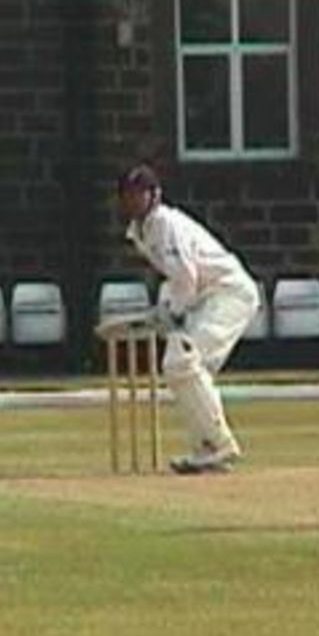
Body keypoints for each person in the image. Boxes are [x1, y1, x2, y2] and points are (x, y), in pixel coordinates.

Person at [117, 164, 260, 474]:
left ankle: (219, 445)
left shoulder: (165, 224)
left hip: (229, 294)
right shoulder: (141, 231)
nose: (132, 201)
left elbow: (186, 275)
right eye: (128, 195)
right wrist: (165, 310)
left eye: (138, 194)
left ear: (154, 195)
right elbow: (178, 279)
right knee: (184, 368)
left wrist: (174, 312)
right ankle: (206, 449)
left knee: (183, 362)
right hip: (208, 299)